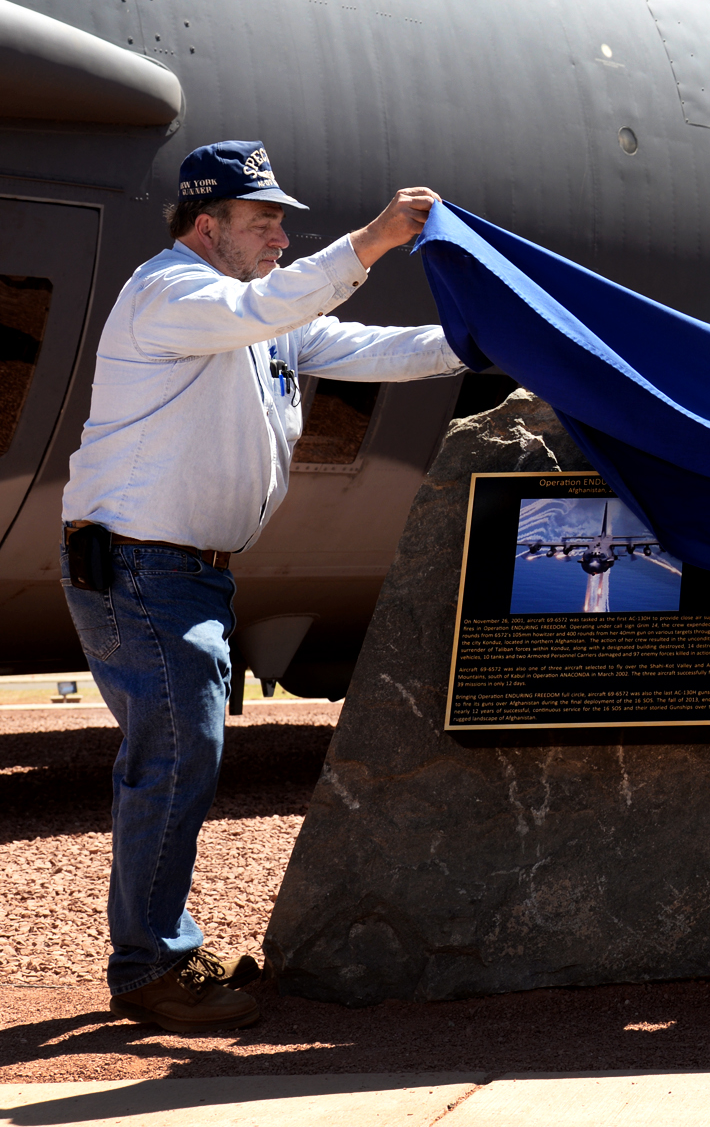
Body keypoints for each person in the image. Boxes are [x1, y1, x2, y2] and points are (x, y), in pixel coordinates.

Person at [60, 140, 466, 1033]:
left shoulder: (253, 308)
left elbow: (362, 348)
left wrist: (471, 345)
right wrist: (371, 241)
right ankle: (151, 968)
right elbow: (272, 305)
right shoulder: (171, 292)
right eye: (263, 221)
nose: (282, 237)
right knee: (175, 760)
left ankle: (160, 952)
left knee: (180, 757)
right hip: (143, 566)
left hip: (182, 572)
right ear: (207, 226)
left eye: (283, 222)